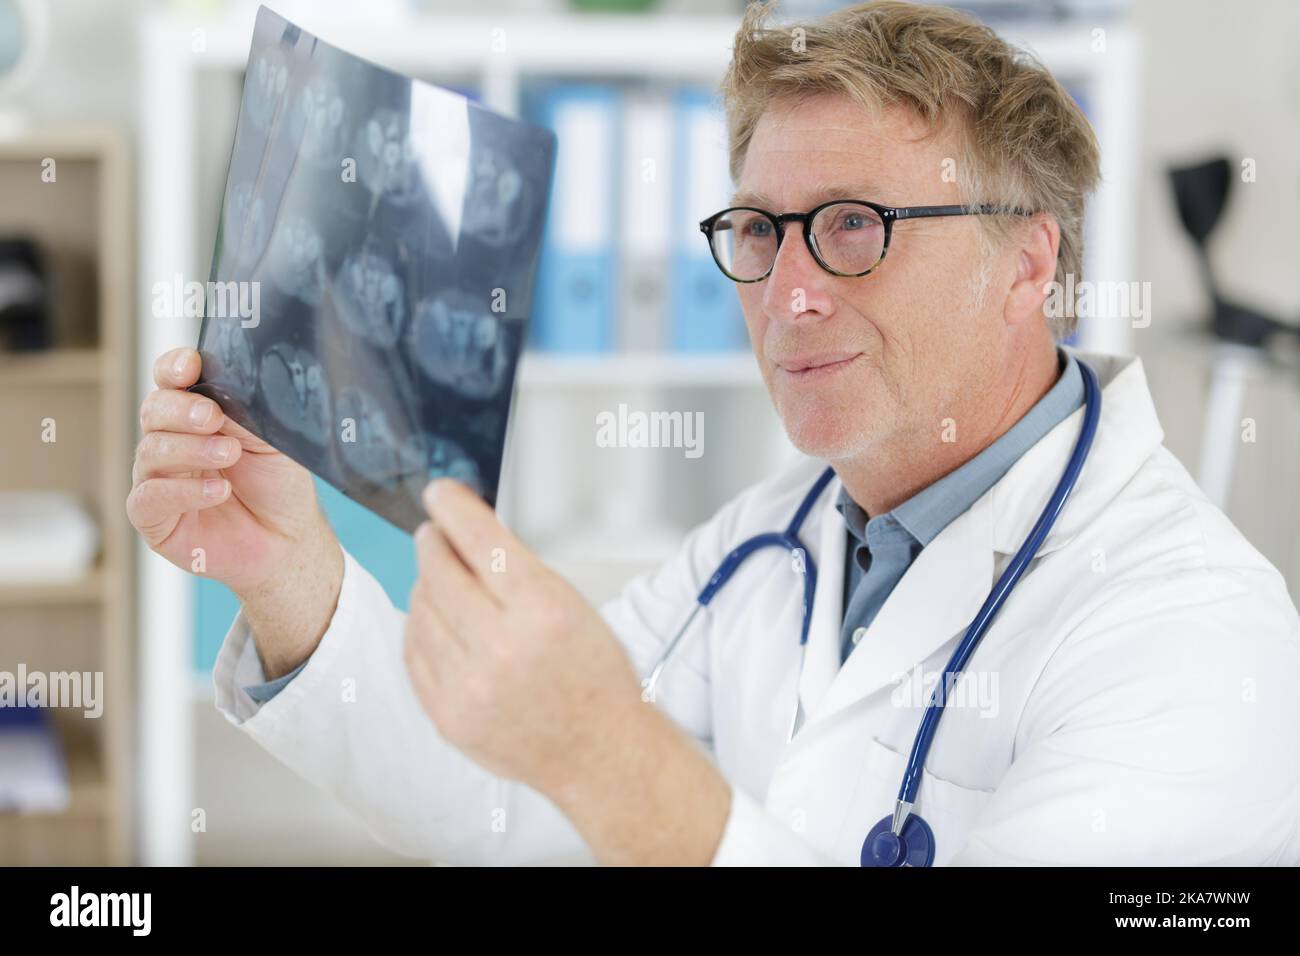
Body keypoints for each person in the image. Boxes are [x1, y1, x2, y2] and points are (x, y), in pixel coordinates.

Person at [127, 1, 1300, 865]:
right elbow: (509, 799)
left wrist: (609, 754)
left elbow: (595, 772)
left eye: (852, 226)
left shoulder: (1193, 635)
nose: (787, 292)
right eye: (757, 230)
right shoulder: (770, 539)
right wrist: (286, 576)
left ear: (1025, 262)